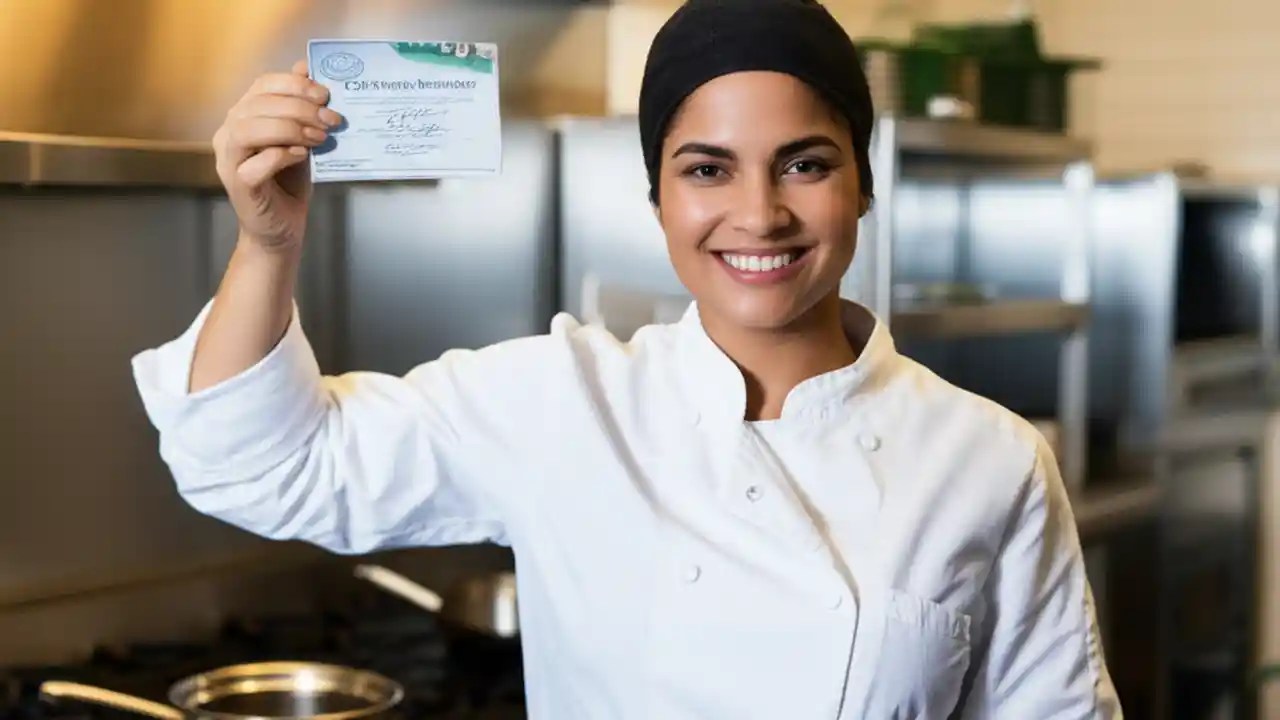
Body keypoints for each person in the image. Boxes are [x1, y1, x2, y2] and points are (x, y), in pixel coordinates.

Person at [132, 0, 1122, 717]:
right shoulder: (563, 400)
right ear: (657, 200)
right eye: (705, 170)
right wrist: (268, 244)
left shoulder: (987, 459)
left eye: (804, 163)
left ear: (862, 186)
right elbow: (258, 466)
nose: (758, 213)